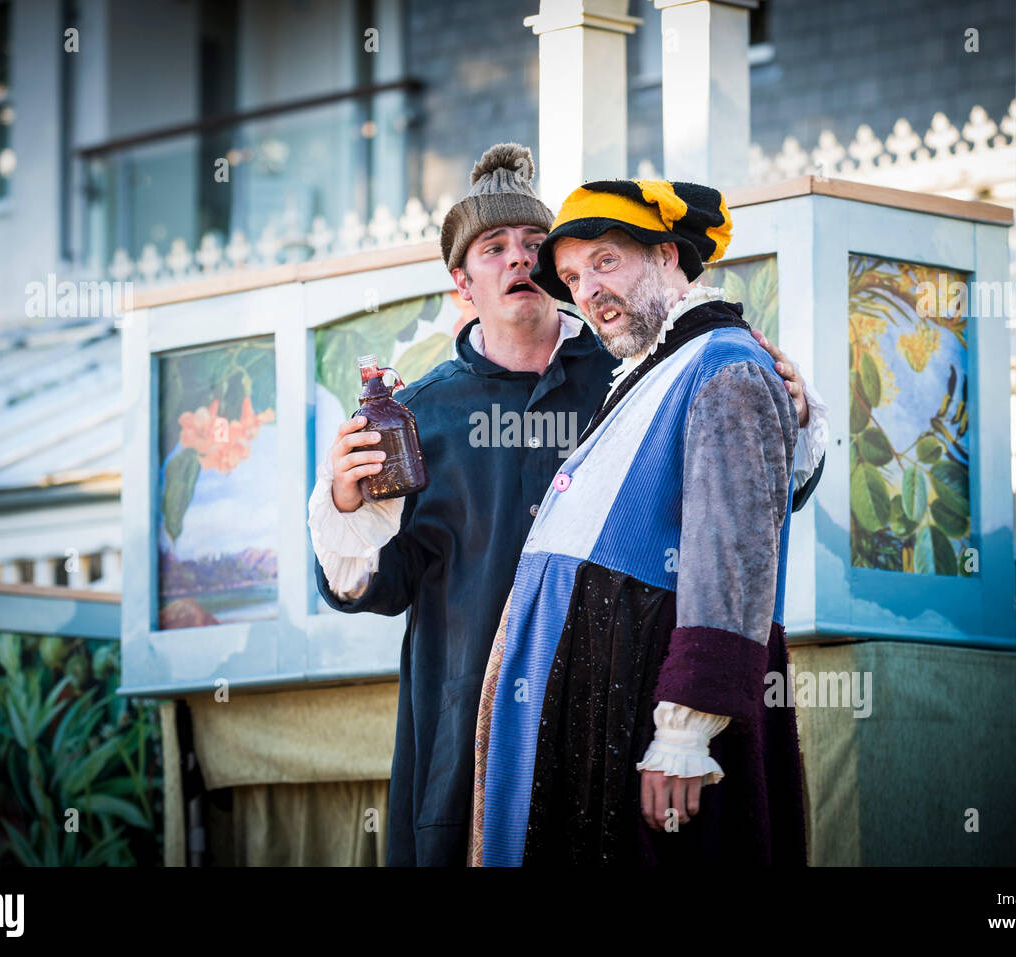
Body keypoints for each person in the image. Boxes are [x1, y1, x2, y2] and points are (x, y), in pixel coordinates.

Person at [309, 145, 827, 866]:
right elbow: (378, 585)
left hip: (622, 710)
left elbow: (745, 517)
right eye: (496, 249)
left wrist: (794, 419)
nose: (523, 261)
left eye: (535, 246)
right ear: (463, 282)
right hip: (467, 729)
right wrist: (342, 502)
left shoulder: (633, 371)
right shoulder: (420, 416)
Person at [473, 178, 809, 867]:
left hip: (649, 727)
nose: (586, 291)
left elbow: (734, 558)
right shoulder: (653, 372)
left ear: (666, 255)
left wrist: (685, 728)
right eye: (569, 277)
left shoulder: (724, 364)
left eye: (604, 261)